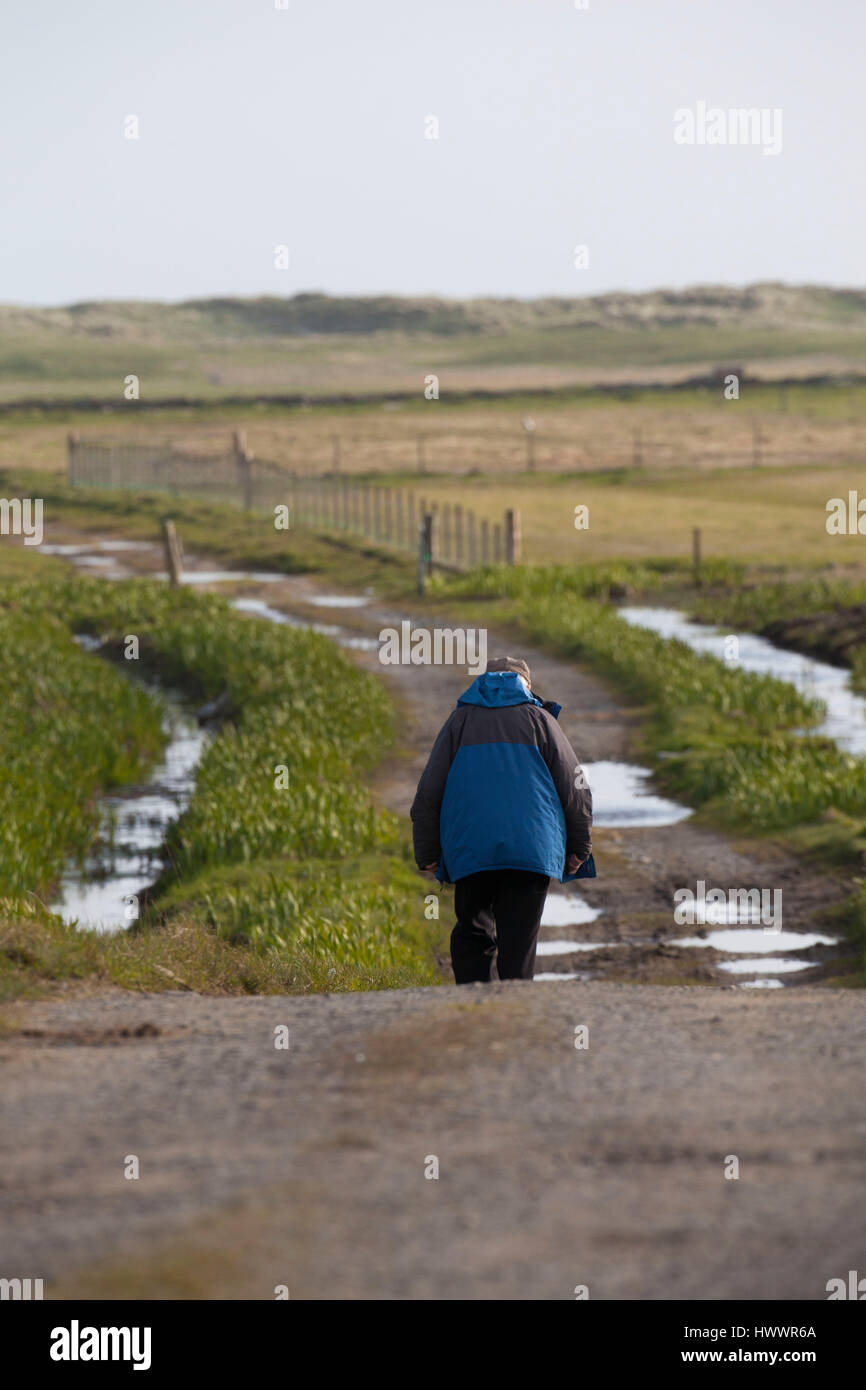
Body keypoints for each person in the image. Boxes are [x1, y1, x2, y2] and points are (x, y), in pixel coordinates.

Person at [411, 656, 593, 983]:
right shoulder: (542, 721)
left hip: (472, 848)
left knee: (473, 933)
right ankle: (514, 1015)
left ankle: (476, 1011)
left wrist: (427, 853)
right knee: (519, 943)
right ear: (526, 685)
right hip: (531, 852)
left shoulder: (460, 721)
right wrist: (580, 848)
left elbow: (428, 790)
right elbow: (576, 788)